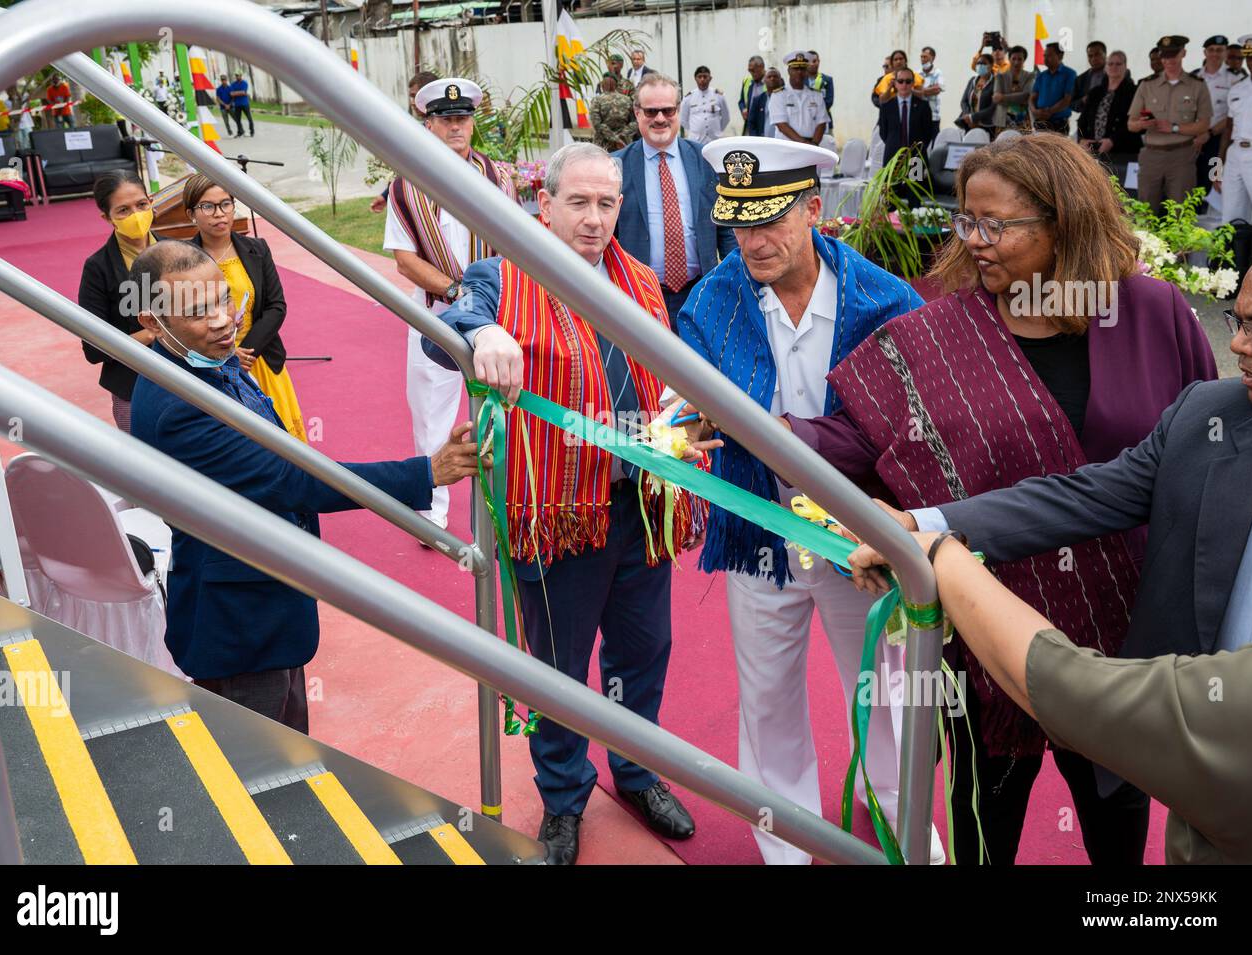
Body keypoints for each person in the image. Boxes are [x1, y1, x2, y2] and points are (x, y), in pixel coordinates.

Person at [782, 133, 1217, 865]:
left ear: (1064, 221)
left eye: (997, 225)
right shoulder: (937, 333)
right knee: (986, 815)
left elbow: (1209, 449)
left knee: (1118, 818)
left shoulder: (1152, 313)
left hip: (1121, 631)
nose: (976, 242)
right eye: (967, 221)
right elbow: (853, 440)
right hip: (984, 627)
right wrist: (752, 428)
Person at [849, 252, 1252, 864]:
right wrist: (926, 526)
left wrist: (943, 559)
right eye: (1241, 319)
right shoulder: (1208, 414)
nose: (1237, 344)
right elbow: (1085, 493)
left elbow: (1073, 692)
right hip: (1214, 784)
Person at [425, 143, 719, 865]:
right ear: (544, 204)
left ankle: (637, 771)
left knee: (644, 651)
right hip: (558, 512)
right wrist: (481, 330)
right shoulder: (498, 277)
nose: (593, 220)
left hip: (641, 502)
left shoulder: (642, 280)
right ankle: (564, 800)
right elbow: (444, 327)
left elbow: (667, 368)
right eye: (579, 203)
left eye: (607, 204)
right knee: (559, 670)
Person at [678, 136, 944, 865]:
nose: (753, 243)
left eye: (770, 221)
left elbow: (921, 428)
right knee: (767, 699)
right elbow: (683, 401)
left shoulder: (887, 302)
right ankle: (787, 842)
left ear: (815, 211)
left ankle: (903, 813)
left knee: (887, 692)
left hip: (856, 538)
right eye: (739, 224)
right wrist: (686, 422)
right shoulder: (712, 299)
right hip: (757, 529)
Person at [128, 240, 483, 731]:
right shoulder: (178, 406)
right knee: (260, 769)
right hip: (239, 624)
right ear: (152, 322)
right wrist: (425, 474)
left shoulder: (202, 358)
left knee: (290, 753)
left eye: (224, 299)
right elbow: (288, 478)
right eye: (196, 312)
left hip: (265, 600)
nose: (220, 320)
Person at [385, 77, 520, 534]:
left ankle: (511, 498)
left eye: (462, 118)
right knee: (433, 414)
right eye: (446, 119)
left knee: (505, 406)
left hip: (497, 315)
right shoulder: (407, 184)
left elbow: (518, 241)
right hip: (436, 315)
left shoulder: (498, 176)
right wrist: (456, 293)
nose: (456, 126)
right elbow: (404, 260)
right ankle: (433, 511)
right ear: (429, 123)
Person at [180, 174, 305, 442]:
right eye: (208, 206)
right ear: (191, 213)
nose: (219, 214)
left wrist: (245, 351)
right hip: (211, 363)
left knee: (285, 445)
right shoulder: (183, 260)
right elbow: (185, 316)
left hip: (258, 358)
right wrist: (227, 352)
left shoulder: (256, 248)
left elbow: (276, 306)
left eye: (226, 204)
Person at [613, 73, 738, 322]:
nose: (660, 118)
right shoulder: (615, 166)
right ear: (637, 112)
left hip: (701, 292)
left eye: (668, 110)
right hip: (639, 297)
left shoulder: (706, 160)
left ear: (679, 110)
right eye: (651, 112)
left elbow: (726, 229)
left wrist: (738, 281)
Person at [79, 171, 164, 432]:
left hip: (192, 381)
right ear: (107, 217)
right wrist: (150, 334)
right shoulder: (98, 268)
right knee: (146, 467)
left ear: (151, 201)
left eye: (141, 205)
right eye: (123, 210)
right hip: (134, 388)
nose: (136, 216)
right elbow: (94, 349)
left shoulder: (179, 251)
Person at [1127, 35, 1211, 216]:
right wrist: (1142, 124)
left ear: (1183, 53)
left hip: (1181, 156)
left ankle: (1179, 247)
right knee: (1144, 213)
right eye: (1164, 56)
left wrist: (1174, 128)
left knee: (1180, 214)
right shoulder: (1147, 85)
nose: (1169, 60)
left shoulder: (1197, 86)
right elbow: (1131, 125)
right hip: (1151, 156)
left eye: (1173, 55)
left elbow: (1204, 125)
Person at [370, 71, 439, 214]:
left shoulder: (444, 130)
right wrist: (385, 196)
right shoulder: (420, 129)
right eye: (411, 97)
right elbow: (409, 170)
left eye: (416, 96)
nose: (412, 102)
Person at [1219, 34, 1252, 228]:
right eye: (1249, 57)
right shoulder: (1238, 88)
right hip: (1235, 155)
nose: (1251, 62)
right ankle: (1234, 257)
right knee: (1231, 218)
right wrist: (1218, 166)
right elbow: (1229, 128)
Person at [1077, 50, 1142, 179]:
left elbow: (1133, 122)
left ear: (1125, 66)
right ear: (1106, 67)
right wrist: (1082, 139)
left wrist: (1112, 141)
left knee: (1121, 193)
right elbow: (1082, 120)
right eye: (1110, 64)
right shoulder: (1095, 92)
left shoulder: (1134, 92)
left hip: (1123, 153)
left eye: (1118, 64)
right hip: (1094, 152)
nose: (1114, 67)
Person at [1192, 35, 1239, 208]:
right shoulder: (1194, 77)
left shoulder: (1235, 79)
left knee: (1215, 178)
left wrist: (1209, 133)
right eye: (1211, 50)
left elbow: (1231, 115)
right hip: (1194, 141)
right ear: (1205, 52)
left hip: (1218, 142)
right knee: (1192, 182)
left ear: (1226, 52)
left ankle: (1212, 217)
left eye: (1220, 50)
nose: (1215, 54)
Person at [879, 67, 933, 170]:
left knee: (916, 185)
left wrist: (917, 148)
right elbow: (883, 133)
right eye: (900, 81)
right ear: (895, 83)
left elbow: (928, 134)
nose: (904, 85)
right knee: (893, 186)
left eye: (908, 81)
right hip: (893, 157)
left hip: (916, 157)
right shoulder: (886, 107)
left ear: (913, 83)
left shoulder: (923, 106)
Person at [769, 51, 827, 144]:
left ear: (806, 72)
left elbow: (822, 122)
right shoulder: (778, 95)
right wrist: (804, 143)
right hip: (787, 146)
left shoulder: (817, 95)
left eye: (802, 69)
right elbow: (782, 125)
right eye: (795, 68)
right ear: (789, 71)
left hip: (811, 145)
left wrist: (814, 144)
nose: (799, 72)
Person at [1029, 42, 1077, 133]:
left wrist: (1049, 112)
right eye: (1044, 56)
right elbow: (1032, 97)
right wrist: (1035, 111)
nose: (1045, 59)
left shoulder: (1070, 74)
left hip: (1059, 123)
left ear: (1060, 56)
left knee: (1057, 147)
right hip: (1041, 122)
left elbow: (1067, 99)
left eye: (1049, 55)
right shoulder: (1041, 76)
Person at [681, 65, 730, 145]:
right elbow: (683, 120)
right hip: (696, 141)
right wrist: (695, 131)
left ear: (710, 78)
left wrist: (717, 131)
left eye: (705, 76)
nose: (702, 79)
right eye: (699, 77)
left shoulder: (718, 96)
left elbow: (726, 117)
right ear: (695, 78)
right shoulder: (688, 98)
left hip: (714, 140)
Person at [591, 72, 637, 152]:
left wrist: (613, 138)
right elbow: (635, 122)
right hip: (623, 144)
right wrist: (620, 137)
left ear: (602, 85)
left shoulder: (597, 100)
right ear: (616, 86)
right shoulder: (627, 100)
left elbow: (597, 124)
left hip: (603, 145)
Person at [992, 45, 1035, 130]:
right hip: (1003, 121)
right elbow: (996, 99)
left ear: (1024, 60)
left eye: (1020, 59)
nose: (1016, 62)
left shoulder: (1030, 76)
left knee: (1024, 143)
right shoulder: (1000, 76)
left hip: (1024, 121)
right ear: (1009, 59)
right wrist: (1018, 96)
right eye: (1013, 59)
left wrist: (1003, 97)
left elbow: (1026, 96)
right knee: (1002, 143)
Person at [957, 54, 998, 137]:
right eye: (978, 63)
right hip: (969, 124)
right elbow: (963, 101)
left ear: (991, 66)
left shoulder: (996, 83)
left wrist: (974, 118)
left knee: (984, 149)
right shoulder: (972, 80)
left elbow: (993, 107)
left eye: (983, 63)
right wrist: (968, 117)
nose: (980, 65)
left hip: (986, 125)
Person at [1070, 40, 1109, 125]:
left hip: (1111, 123)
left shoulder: (1117, 74)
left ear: (1105, 54)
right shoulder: (1081, 79)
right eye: (1090, 56)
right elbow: (1072, 104)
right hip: (1088, 124)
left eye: (1097, 54)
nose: (1094, 58)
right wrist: (1083, 101)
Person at [917, 46, 945, 145]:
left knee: (934, 144)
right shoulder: (917, 73)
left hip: (934, 116)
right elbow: (913, 90)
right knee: (920, 144)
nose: (923, 59)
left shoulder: (938, 73)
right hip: (919, 116)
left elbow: (938, 89)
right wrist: (930, 89)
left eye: (925, 57)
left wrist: (921, 91)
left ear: (932, 58)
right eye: (921, 57)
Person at [739, 55, 768, 137]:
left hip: (764, 126)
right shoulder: (747, 81)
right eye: (749, 70)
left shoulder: (771, 80)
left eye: (753, 70)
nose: (751, 73)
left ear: (761, 67)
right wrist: (743, 109)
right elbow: (741, 101)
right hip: (750, 126)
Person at [805, 50, 835, 128]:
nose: (812, 64)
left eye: (814, 61)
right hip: (805, 121)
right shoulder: (800, 80)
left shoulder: (827, 80)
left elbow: (829, 102)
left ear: (819, 62)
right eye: (809, 61)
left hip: (824, 121)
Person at [228, 71, 254, 137]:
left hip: (245, 103)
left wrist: (236, 93)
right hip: (237, 104)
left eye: (238, 75)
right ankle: (240, 132)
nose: (237, 77)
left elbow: (243, 92)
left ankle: (252, 131)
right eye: (236, 75)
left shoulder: (244, 83)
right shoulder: (233, 84)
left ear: (241, 75)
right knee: (238, 119)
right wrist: (240, 93)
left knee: (249, 118)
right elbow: (231, 93)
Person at [761, 68, 784, 139]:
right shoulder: (759, 99)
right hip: (763, 140)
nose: (772, 79)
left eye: (775, 76)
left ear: (781, 80)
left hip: (782, 140)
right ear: (764, 80)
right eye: (769, 77)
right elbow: (752, 122)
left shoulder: (787, 98)